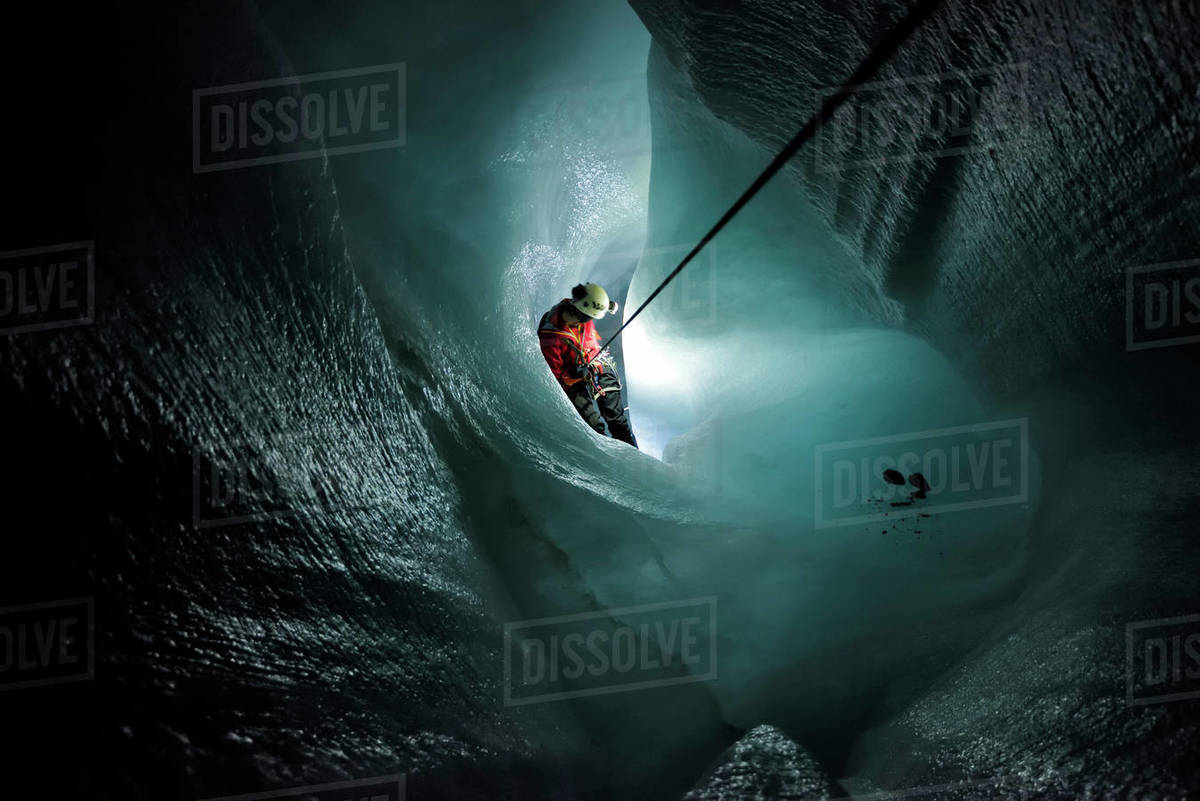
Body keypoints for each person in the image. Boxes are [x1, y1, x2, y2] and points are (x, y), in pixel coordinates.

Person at [538, 283, 639, 448]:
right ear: (577, 311)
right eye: (585, 318)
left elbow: (599, 303)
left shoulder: (582, 302)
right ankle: (606, 456)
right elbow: (556, 375)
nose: (586, 321)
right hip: (573, 377)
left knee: (616, 420)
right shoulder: (551, 337)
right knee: (595, 426)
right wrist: (575, 375)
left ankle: (633, 458)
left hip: (596, 360)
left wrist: (609, 306)